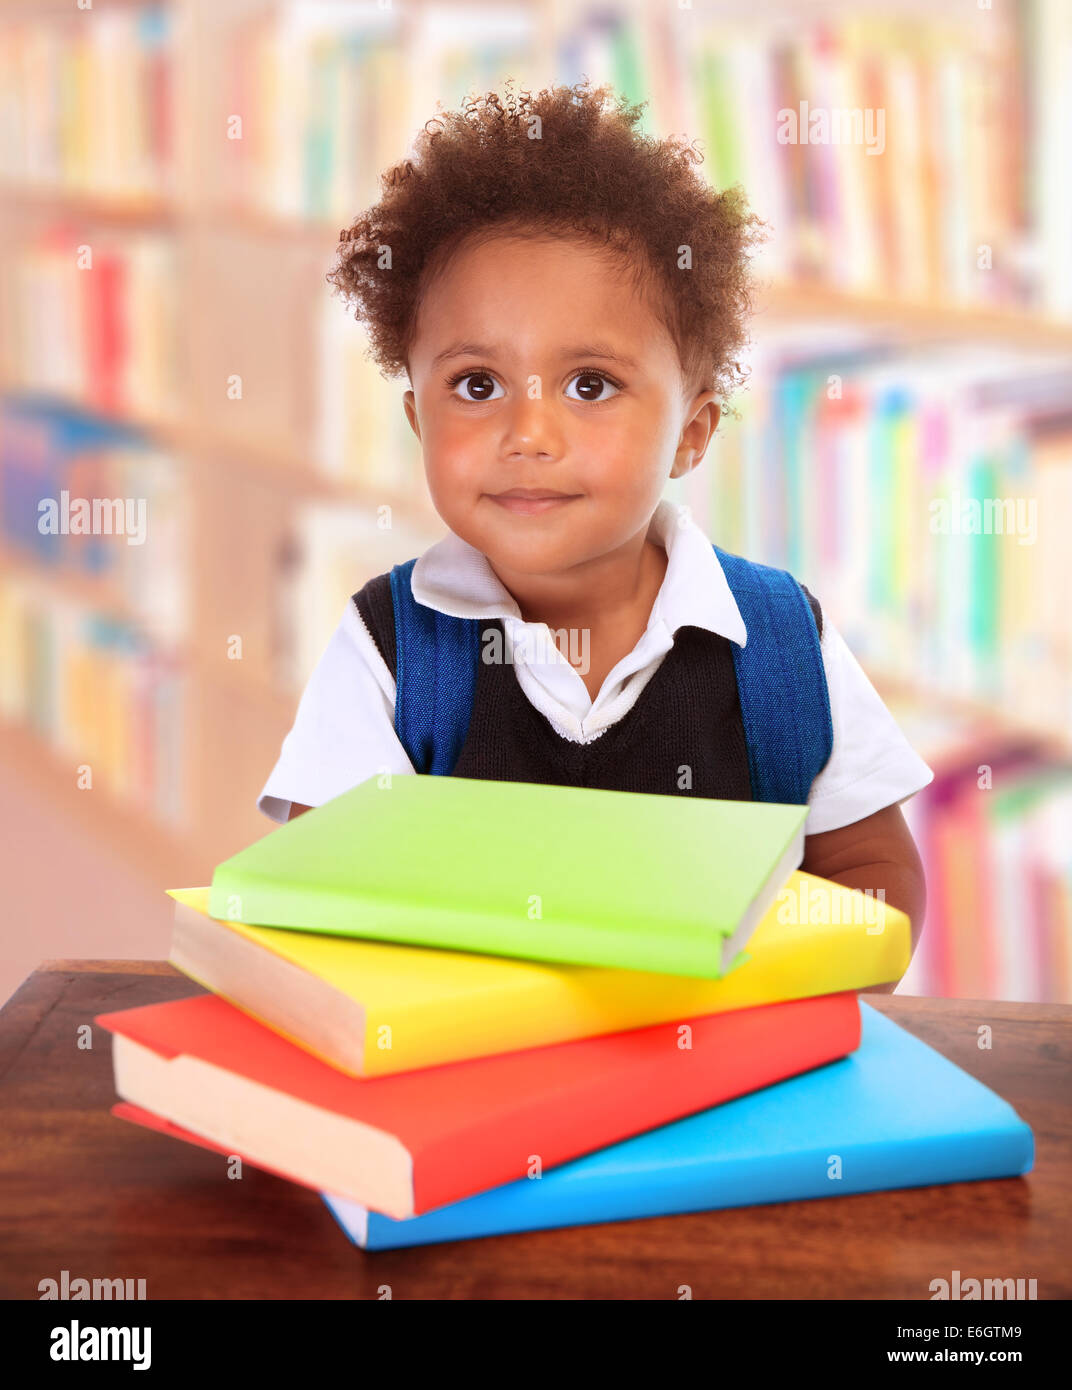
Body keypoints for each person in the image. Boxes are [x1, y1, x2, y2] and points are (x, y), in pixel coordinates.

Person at [258, 81, 932, 984]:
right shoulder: (388, 652)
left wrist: (777, 991)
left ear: (692, 433)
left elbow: (872, 875)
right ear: (419, 421)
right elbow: (323, 898)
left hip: (728, 1088)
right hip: (483, 1081)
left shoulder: (779, 642)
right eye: (477, 385)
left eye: (589, 385)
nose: (528, 434)